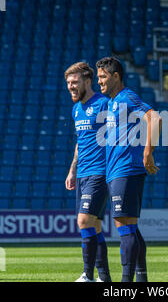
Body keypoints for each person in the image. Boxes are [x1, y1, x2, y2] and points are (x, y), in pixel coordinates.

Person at [96, 57, 162, 282]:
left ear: (116, 76)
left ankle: (127, 282)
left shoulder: (127, 96)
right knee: (128, 226)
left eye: (103, 77)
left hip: (127, 169)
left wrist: (148, 151)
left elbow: (154, 117)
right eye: (98, 78)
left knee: (124, 225)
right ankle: (141, 279)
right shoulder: (113, 102)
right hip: (116, 171)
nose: (99, 82)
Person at [64, 62, 111, 282]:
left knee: (83, 221)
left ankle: (87, 275)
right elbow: (80, 142)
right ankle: (104, 277)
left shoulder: (103, 104)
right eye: (68, 83)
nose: (71, 87)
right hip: (82, 173)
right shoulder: (76, 109)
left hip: (100, 172)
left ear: (87, 81)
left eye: (74, 82)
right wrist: (72, 169)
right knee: (94, 225)